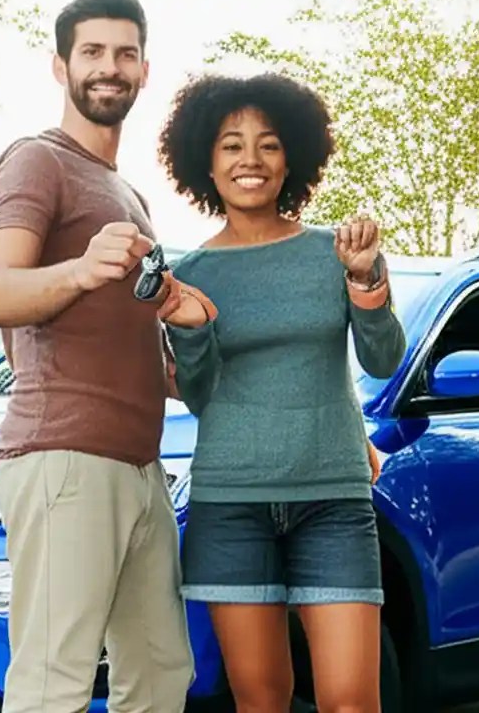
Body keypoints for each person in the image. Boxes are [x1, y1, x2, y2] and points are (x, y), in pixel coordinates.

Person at [0, 0, 209, 710]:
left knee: (161, 673)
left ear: (144, 70)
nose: (109, 68)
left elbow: (123, 345)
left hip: (139, 470)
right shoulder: (35, 162)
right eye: (92, 53)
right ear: (61, 66)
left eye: (124, 54)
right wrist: (81, 267)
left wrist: (192, 332)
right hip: (66, 462)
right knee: (53, 685)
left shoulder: (129, 194)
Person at [156, 72, 408, 712]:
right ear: (204, 163)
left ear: (291, 156)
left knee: (353, 701)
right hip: (231, 507)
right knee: (261, 702)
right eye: (231, 144)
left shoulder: (335, 253)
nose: (250, 160)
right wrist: (187, 327)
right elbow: (198, 394)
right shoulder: (190, 274)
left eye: (268, 144)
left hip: (333, 500)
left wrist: (366, 281)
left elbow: (383, 357)